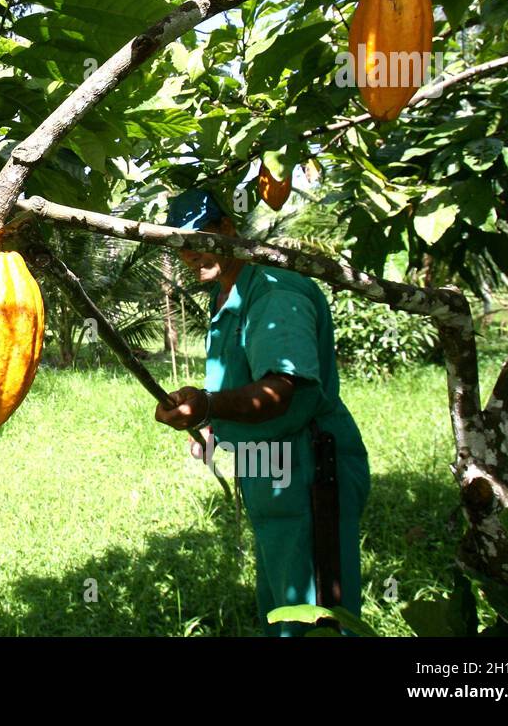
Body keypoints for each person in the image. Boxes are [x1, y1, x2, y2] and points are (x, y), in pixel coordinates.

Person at [154, 187, 370, 636]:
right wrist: (212, 424)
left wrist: (209, 405)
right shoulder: (230, 293)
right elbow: (241, 378)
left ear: (228, 230)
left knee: (317, 616)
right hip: (270, 468)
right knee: (283, 606)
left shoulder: (273, 293)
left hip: (309, 468)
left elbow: (282, 390)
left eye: (200, 238)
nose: (191, 254)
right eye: (181, 245)